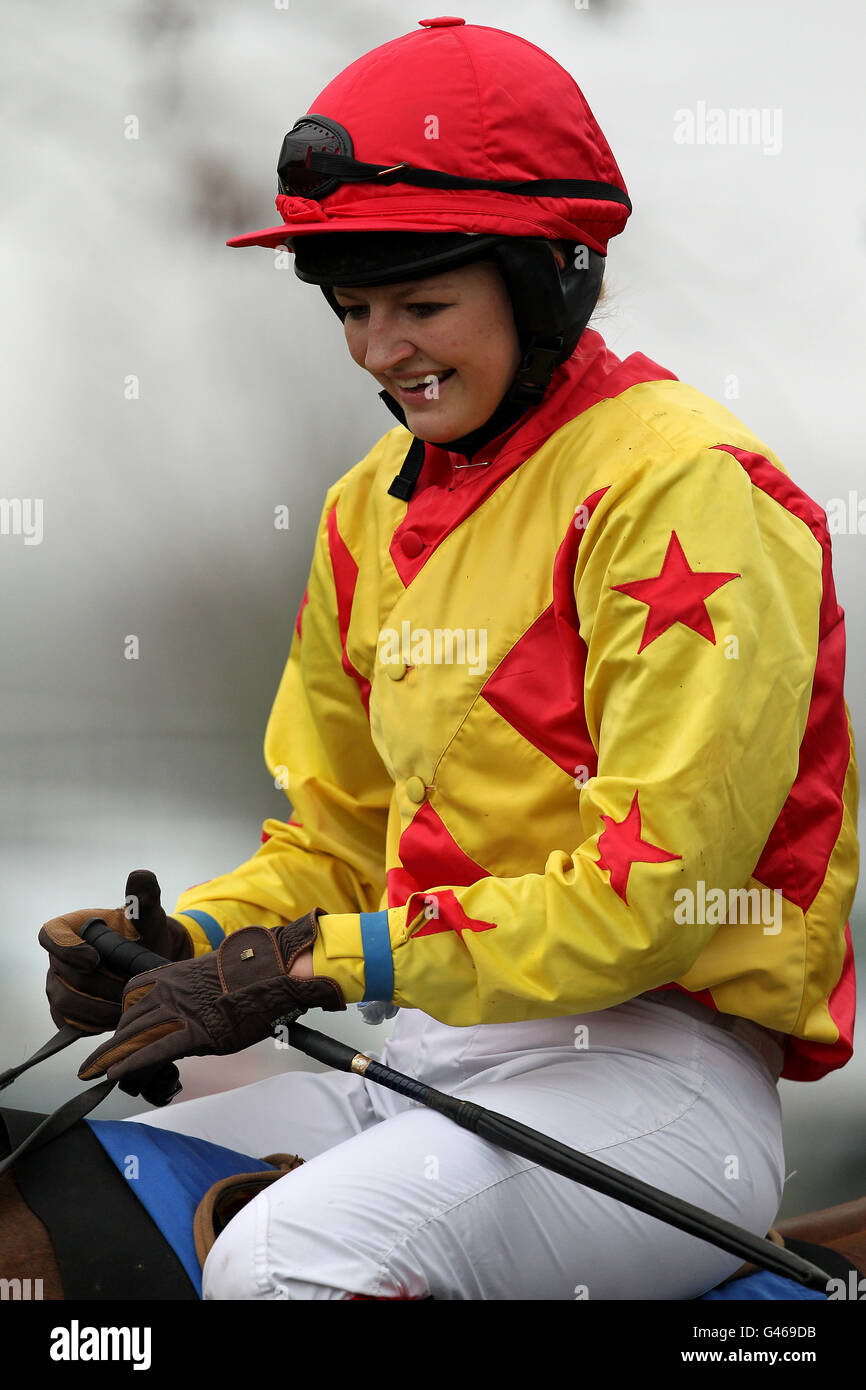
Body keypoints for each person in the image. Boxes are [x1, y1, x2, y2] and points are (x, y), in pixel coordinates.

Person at [39, 17, 858, 1301]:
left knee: (287, 1256)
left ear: (549, 282)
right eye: (353, 310)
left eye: (420, 304)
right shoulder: (367, 507)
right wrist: (181, 936)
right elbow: (338, 844)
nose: (380, 351)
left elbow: (650, 905)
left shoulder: (685, 493)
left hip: (649, 1086)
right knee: (55, 1204)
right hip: (423, 1068)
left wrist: (317, 960)